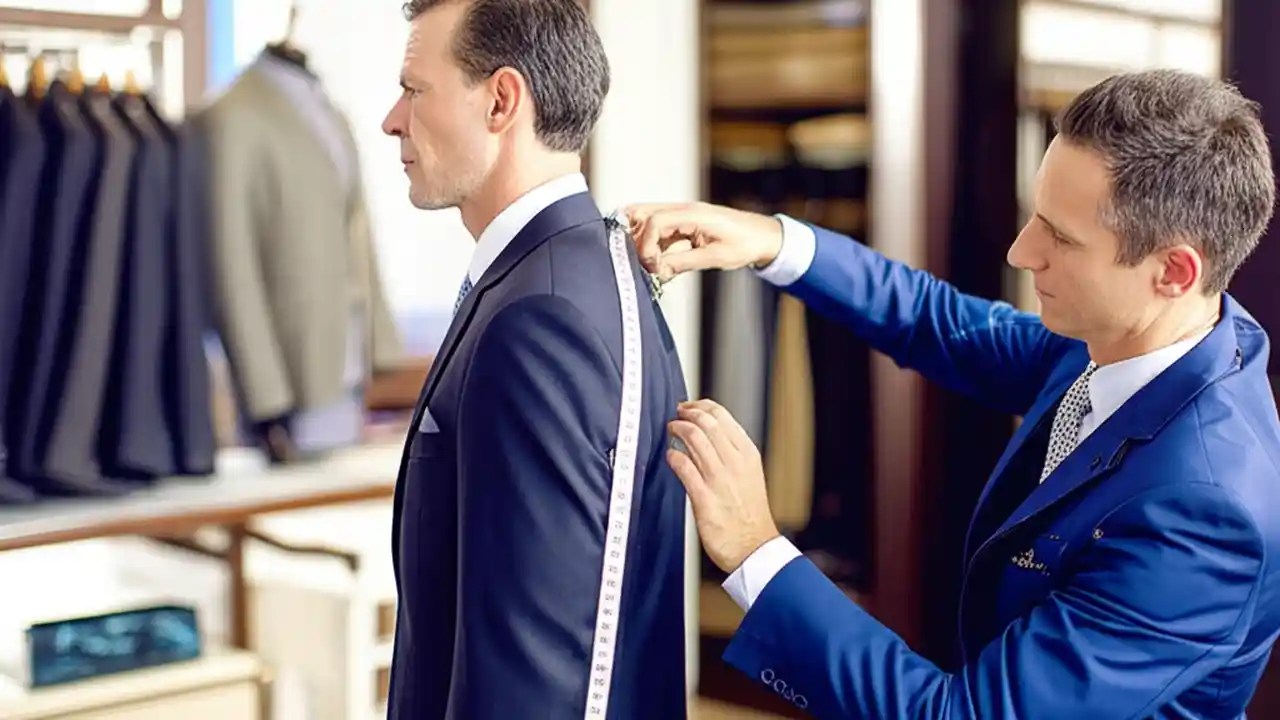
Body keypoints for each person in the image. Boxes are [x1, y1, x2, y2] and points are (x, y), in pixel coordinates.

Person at [628, 69, 1280, 718]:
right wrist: (772, 242)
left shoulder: (1203, 514)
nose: (1022, 252)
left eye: (1061, 237)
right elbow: (940, 324)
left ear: (1173, 271)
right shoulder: (1150, 335)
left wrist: (753, 549)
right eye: (1037, 217)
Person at [380, 1, 689, 718]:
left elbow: (534, 672)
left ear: (501, 101)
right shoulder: (582, 271)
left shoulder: (538, 321)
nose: (393, 120)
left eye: (415, 90)